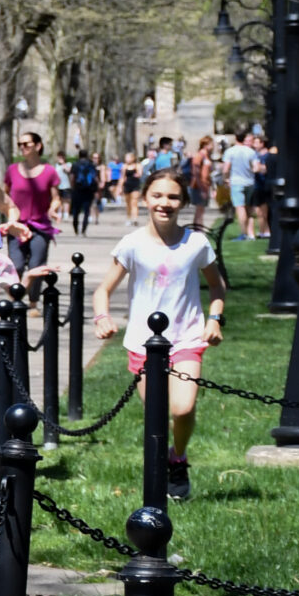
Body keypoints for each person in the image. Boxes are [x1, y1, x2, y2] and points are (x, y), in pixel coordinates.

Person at [96, 170, 226, 501]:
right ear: (144, 199)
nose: (164, 203)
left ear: (183, 202)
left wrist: (214, 319)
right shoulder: (132, 244)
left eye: (172, 197)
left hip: (186, 338)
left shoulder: (196, 243)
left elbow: (216, 285)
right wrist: (102, 317)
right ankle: (158, 476)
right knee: (156, 414)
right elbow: (103, 289)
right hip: (144, 343)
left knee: (182, 408)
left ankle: (178, 458)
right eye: (157, 196)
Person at [3, 130, 63, 287]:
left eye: (26, 144)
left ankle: (34, 303)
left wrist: (53, 210)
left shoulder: (50, 171)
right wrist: (9, 217)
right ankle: (15, 299)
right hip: (17, 226)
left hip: (40, 226)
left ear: (38, 146)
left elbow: (56, 198)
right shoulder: (12, 170)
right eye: (19, 144)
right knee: (16, 265)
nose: (22, 147)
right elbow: (4, 196)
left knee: (37, 266)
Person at [67, 147, 101, 237]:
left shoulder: (75, 164)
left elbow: (72, 177)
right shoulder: (91, 164)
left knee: (76, 210)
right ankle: (84, 229)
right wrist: (97, 188)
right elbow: (95, 177)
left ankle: (76, 228)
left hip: (77, 189)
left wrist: (72, 187)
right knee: (86, 210)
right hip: (88, 190)